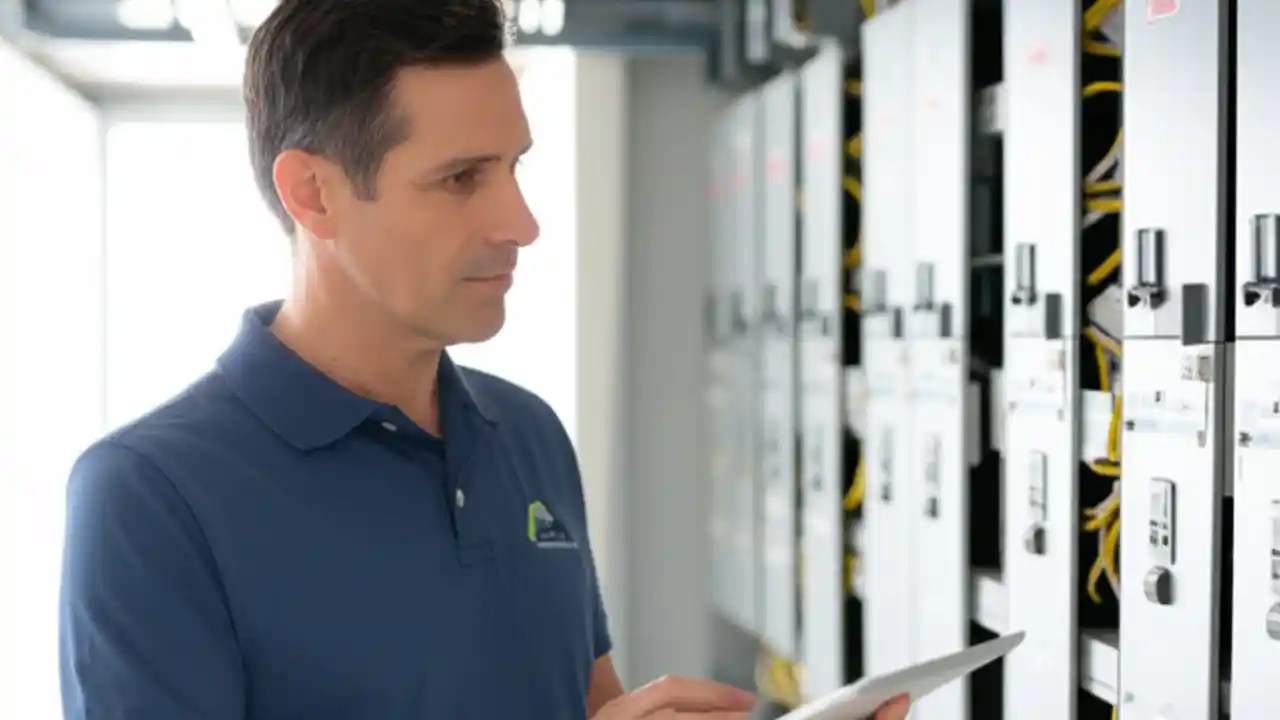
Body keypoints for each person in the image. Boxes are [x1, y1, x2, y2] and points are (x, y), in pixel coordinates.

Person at [57, 1, 911, 718]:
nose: (521, 222)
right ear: (312, 193)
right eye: (462, 178)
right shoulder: (148, 496)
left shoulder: (527, 434)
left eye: (514, 167)